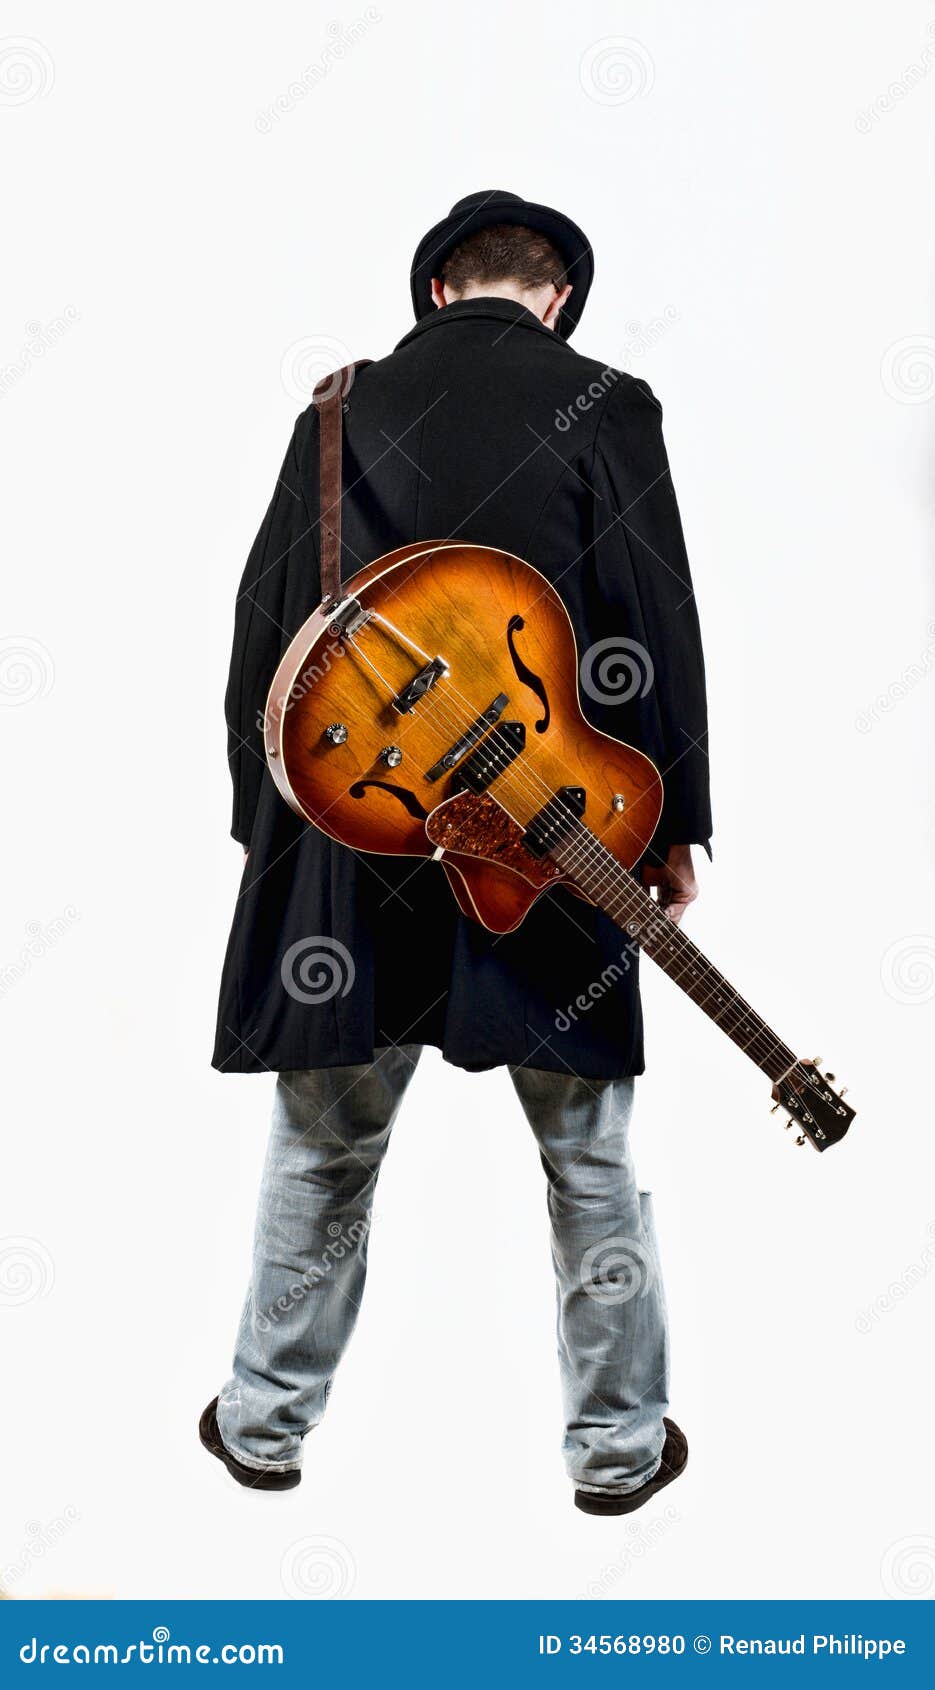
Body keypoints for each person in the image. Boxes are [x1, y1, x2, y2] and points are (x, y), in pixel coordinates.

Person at [201, 190, 711, 1514]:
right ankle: (615, 1450)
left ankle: (262, 1420)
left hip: (353, 844)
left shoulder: (334, 410)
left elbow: (265, 641)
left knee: (322, 1148)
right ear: (556, 298)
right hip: (556, 830)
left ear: (438, 290)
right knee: (589, 1155)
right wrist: (674, 824)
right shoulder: (606, 401)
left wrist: (274, 838)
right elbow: (648, 625)